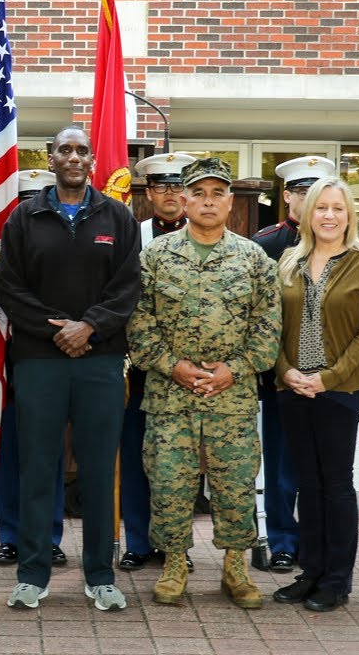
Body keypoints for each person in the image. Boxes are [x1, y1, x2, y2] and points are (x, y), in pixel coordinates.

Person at [0, 126, 140, 611]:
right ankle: (33, 573)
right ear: (51, 158)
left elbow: (127, 288)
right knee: (38, 467)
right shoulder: (24, 217)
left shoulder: (117, 217)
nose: (74, 157)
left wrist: (89, 328)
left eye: (82, 150)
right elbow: (10, 289)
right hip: (39, 361)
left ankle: (100, 574)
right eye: (65, 150)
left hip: (99, 360)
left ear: (92, 159)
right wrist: (57, 330)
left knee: (100, 469)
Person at [128, 157, 280, 610]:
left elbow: (268, 326)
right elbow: (138, 324)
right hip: (169, 395)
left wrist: (235, 368)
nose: (208, 202)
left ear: (231, 202)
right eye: (199, 193)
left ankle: (236, 567)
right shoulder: (154, 255)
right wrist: (171, 365)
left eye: (218, 194)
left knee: (235, 484)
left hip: (231, 397)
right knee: (170, 483)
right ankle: (174, 564)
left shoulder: (253, 257)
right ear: (184, 199)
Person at [268, 176, 359, 613]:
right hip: (292, 387)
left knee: (336, 485)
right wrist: (287, 371)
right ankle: (310, 572)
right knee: (306, 484)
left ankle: (337, 580)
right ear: (307, 213)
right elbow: (272, 326)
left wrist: (330, 376)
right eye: (322, 208)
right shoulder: (288, 261)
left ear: (349, 215)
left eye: (338, 208)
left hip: (340, 391)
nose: (329, 216)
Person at [250, 155, 331, 574]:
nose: (309, 199)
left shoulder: (342, 246)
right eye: (301, 191)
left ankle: (318, 540)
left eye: (316, 190)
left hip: (329, 376)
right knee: (281, 465)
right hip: (278, 374)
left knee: (321, 465)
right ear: (287, 196)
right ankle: (282, 540)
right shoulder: (265, 244)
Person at [120, 152, 197, 574]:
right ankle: (136, 541)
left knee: (181, 465)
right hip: (141, 369)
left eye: (177, 186)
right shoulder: (130, 236)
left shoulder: (207, 235)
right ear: (148, 193)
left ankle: (176, 544)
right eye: (162, 186)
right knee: (135, 456)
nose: (171, 194)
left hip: (188, 373)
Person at [0, 169, 68, 572]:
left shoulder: (57, 245)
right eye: (20, 201)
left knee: (48, 451)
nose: (26, 208)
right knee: (8, 452)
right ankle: (9, 536)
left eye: (32, 200)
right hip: (5, 361)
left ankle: (48, 537)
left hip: (46, 356)